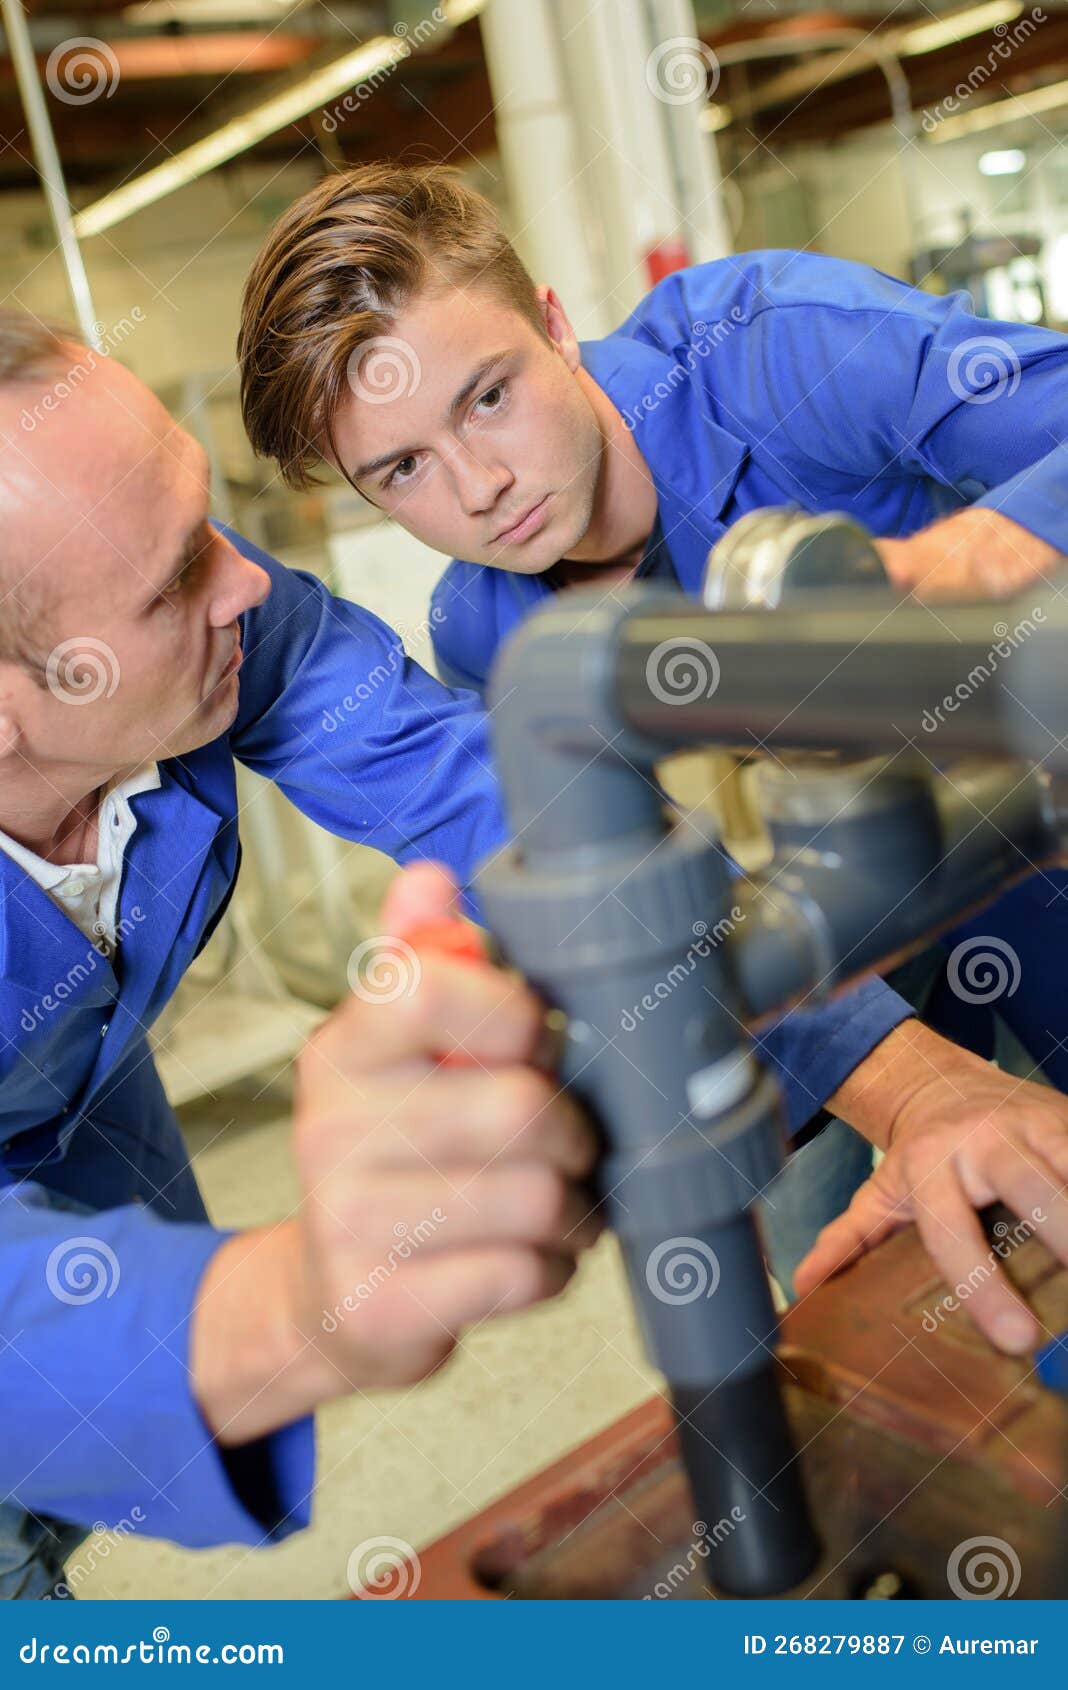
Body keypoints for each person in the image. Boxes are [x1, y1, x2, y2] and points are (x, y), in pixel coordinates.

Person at [238, 162, 1068, 1330]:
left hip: (1037, 776)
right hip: (859, 862)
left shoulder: (771, 344)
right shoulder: (488, 630)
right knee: (819, 1229)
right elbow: (639, 895)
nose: (482, 488)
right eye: (404, 468)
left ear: (555, 325)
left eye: (489, 396)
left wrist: (963, 565)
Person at [0, 315, 592, 1596]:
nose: (248, 584)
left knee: (88, 1455)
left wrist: (888, 1073)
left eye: (205, 519)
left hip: (76, 1102)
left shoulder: (206, 600)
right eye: (174, 580)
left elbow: (480, 797)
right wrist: (294, 1301)